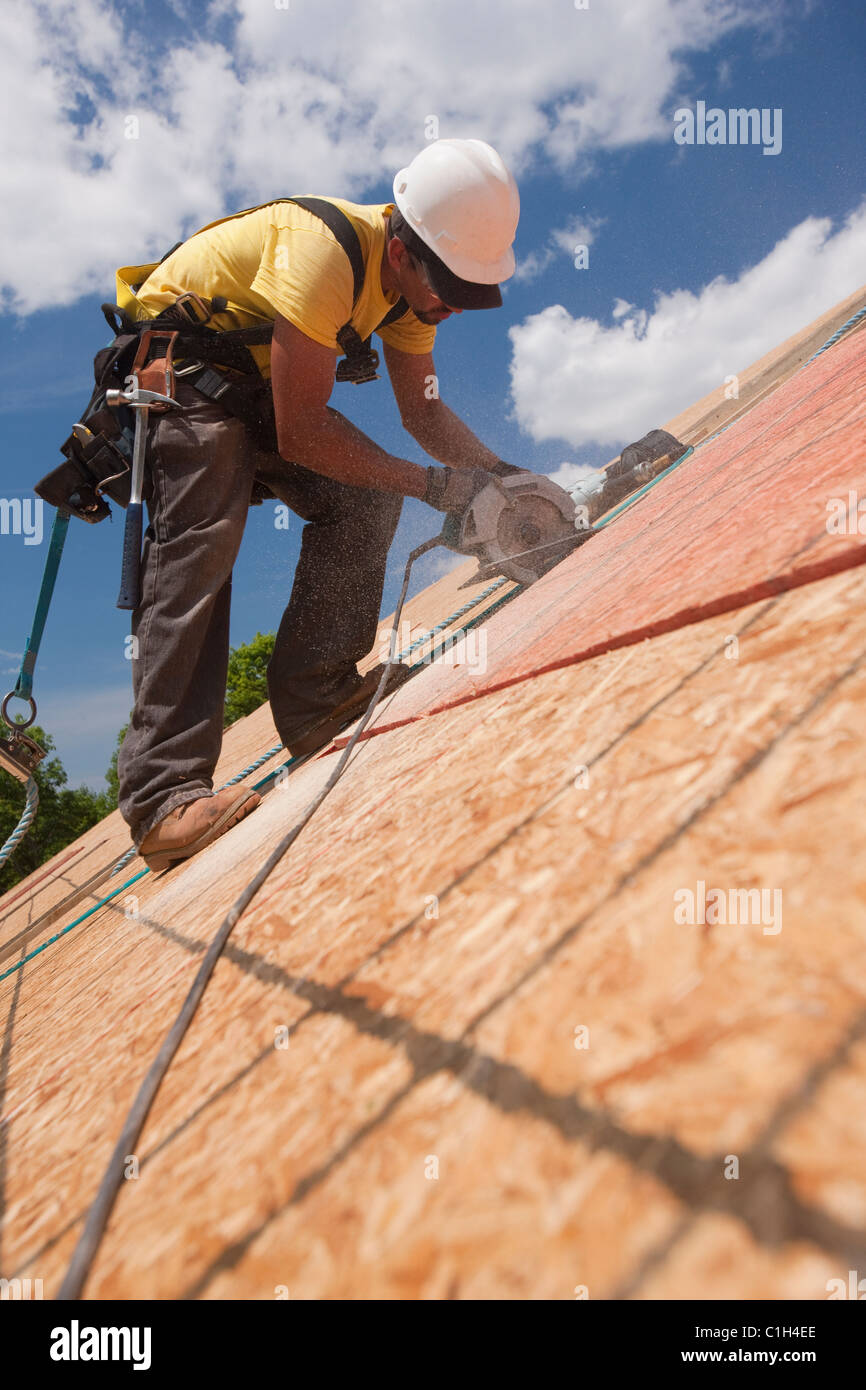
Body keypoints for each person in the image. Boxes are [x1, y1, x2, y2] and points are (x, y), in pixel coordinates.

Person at [115, 137, 543, 872]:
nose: (449, 309)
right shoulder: (324, 252)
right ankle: (163, 798)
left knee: (364, 500)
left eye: (466, 295)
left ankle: (319, 701)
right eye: (447, 287)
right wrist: (433, 486)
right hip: (178, 379)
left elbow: (425, 415)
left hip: (257, 393)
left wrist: (504, 478)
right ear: (402, 247)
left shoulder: (415, 295)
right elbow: (304, 429)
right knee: (202, 545)